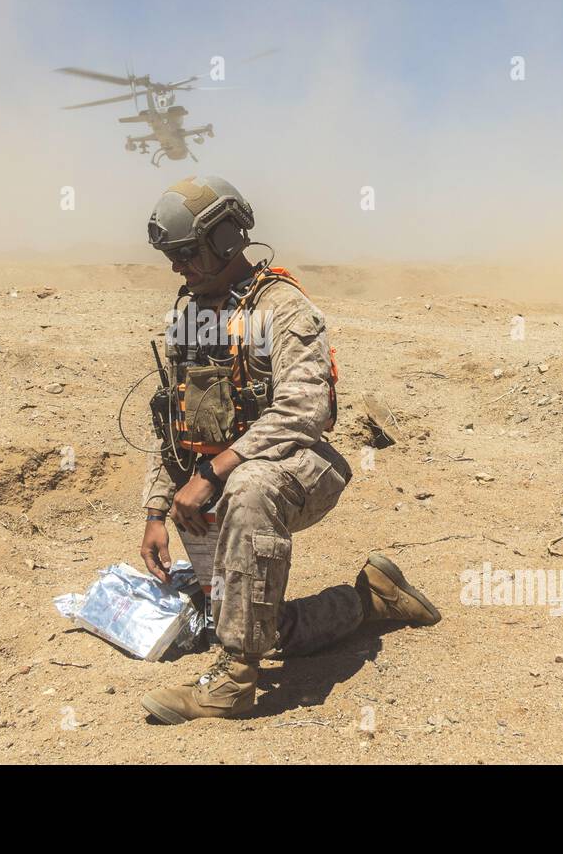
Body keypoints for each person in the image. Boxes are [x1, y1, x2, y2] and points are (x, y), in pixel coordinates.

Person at [137, 175, 440, 724]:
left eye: (185, 254)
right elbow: (175, 423)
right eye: (171, 257)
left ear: (224, 241)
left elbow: (306, 410)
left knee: (250, 490)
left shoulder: (285, 308)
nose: (176, 268)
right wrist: (158, 508)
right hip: (215, 483)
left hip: (297, 468)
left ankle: (232, 683)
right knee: (250, 621)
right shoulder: (190, 314)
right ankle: (370, 600)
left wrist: (216, 470)